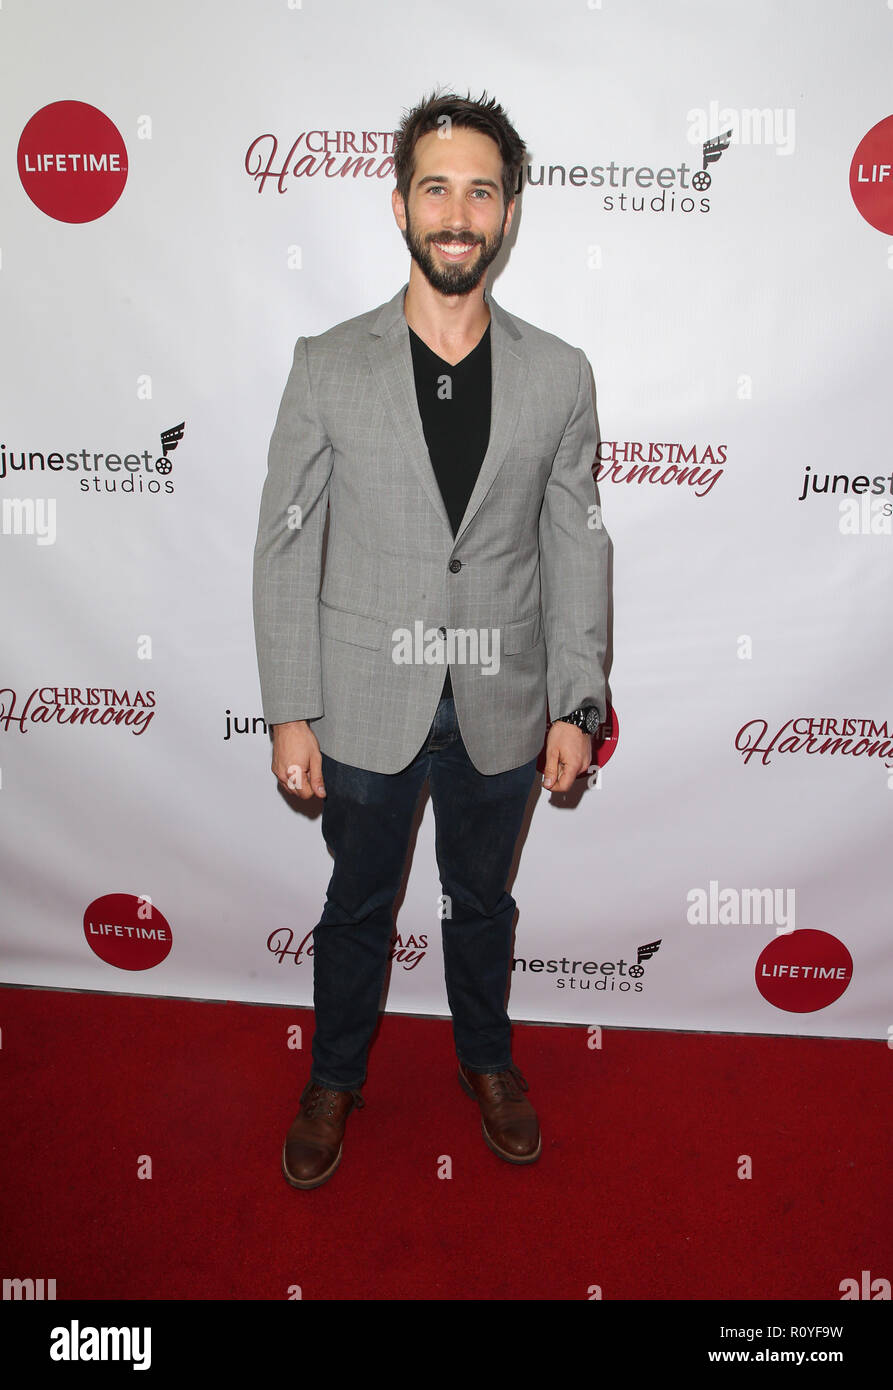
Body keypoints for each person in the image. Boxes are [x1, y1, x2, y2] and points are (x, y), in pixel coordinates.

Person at [252, 90, 610, 1190]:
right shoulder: (327, 362)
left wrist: (574, 698)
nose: (458, 211)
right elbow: (282, 545)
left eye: (481, 189)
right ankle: (334, 1077)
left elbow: (576, 540)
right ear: (400, 203)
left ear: (509, 211)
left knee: (483, 903)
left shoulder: (559, 373)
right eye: (437, 187)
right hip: (360, 698)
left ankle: (487, 1061)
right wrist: (289, 708)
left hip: (502, 698)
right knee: (356, 905)